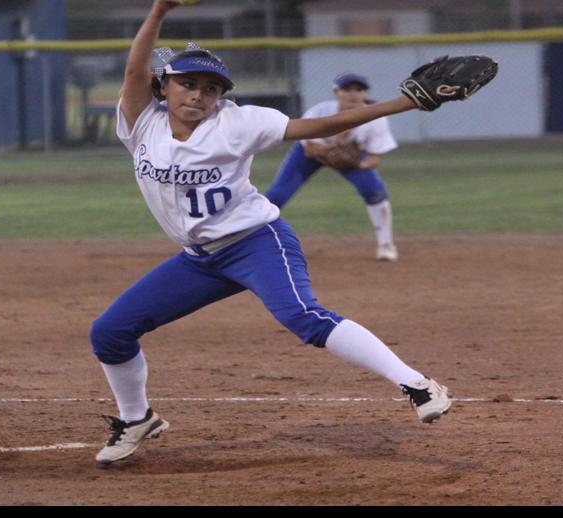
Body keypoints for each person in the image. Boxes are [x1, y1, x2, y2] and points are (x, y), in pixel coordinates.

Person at [88, 0, 485, 467]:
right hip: (200, 259)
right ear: (165, 86)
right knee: (110, 332)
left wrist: (405, 102)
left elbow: (319, 125)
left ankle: (417, 384)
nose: (198, 95)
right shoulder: (142, 123)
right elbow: (135, 70)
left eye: (210, 88)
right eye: (188, 83)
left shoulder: (237, 122)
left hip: (257, 242)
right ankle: (137, 419)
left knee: (303, 316)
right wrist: (158, 10)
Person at [264, 73, 402, 262]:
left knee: (375, 191)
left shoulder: (376, 119)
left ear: (365, 93)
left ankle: (386, 244)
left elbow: (374, 158)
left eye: (358, 89)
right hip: (309, 156)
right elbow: (311, 150)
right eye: (347, 89)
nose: (352, 94)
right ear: (336, 93)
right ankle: (251, 245)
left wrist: (359, 164)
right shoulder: (320, 111)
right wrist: (336, 146)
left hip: (349, 158)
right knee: (277, 195)